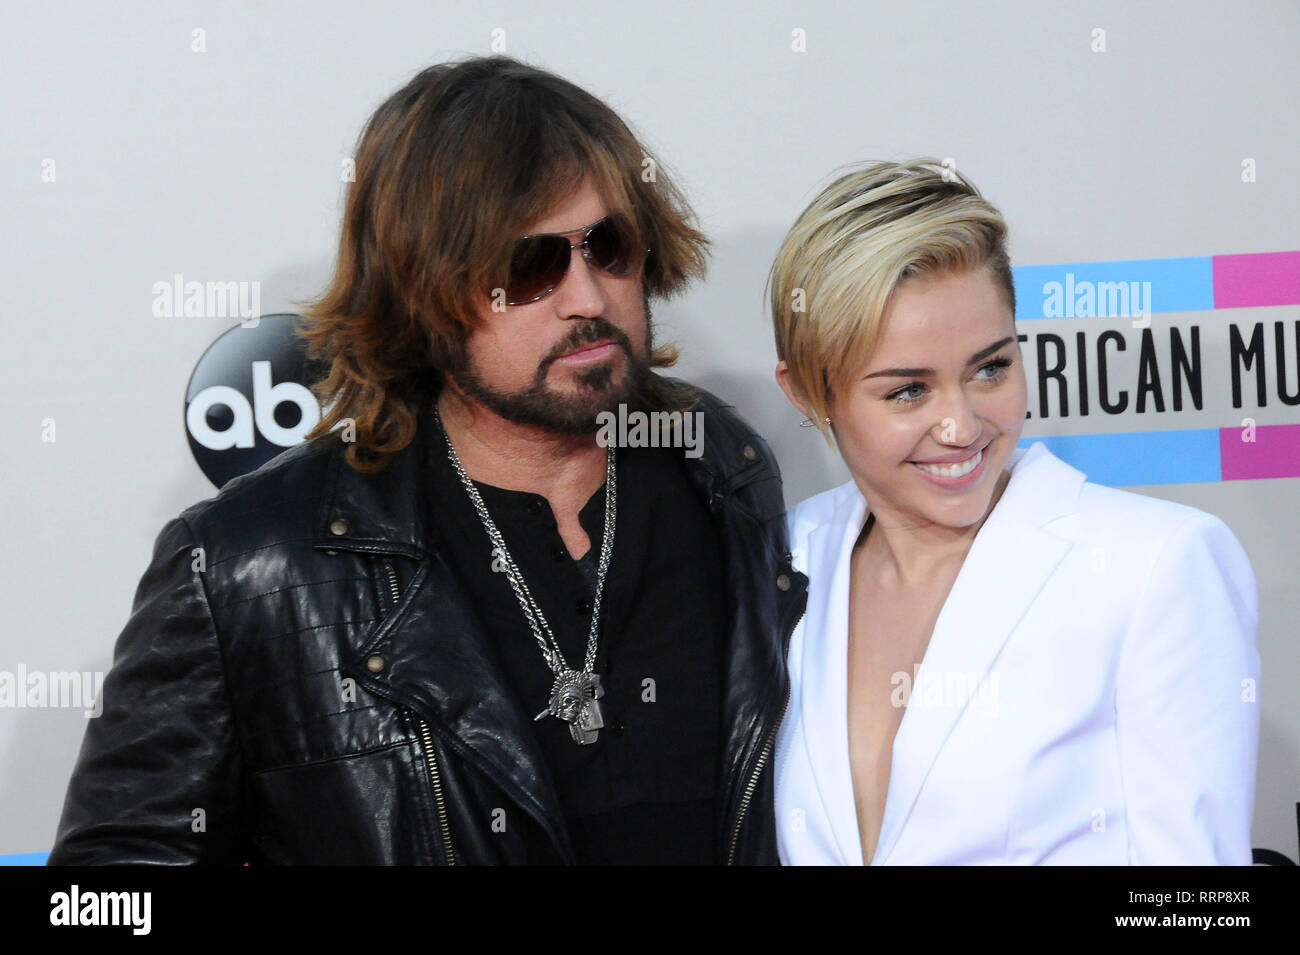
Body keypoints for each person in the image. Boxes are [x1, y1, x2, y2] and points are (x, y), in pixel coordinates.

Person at [48, 55, 806, 865]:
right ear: (424, 288)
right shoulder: (248, 565)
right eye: (530, 266)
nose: (588, 297)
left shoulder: (719, 466)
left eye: (609, 246)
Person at [767, 158, 1260, 865]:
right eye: (908, 391)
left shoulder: (1155, 565)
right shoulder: (781, 561)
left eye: (990, 367)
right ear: (810, 394)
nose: (961, 425)